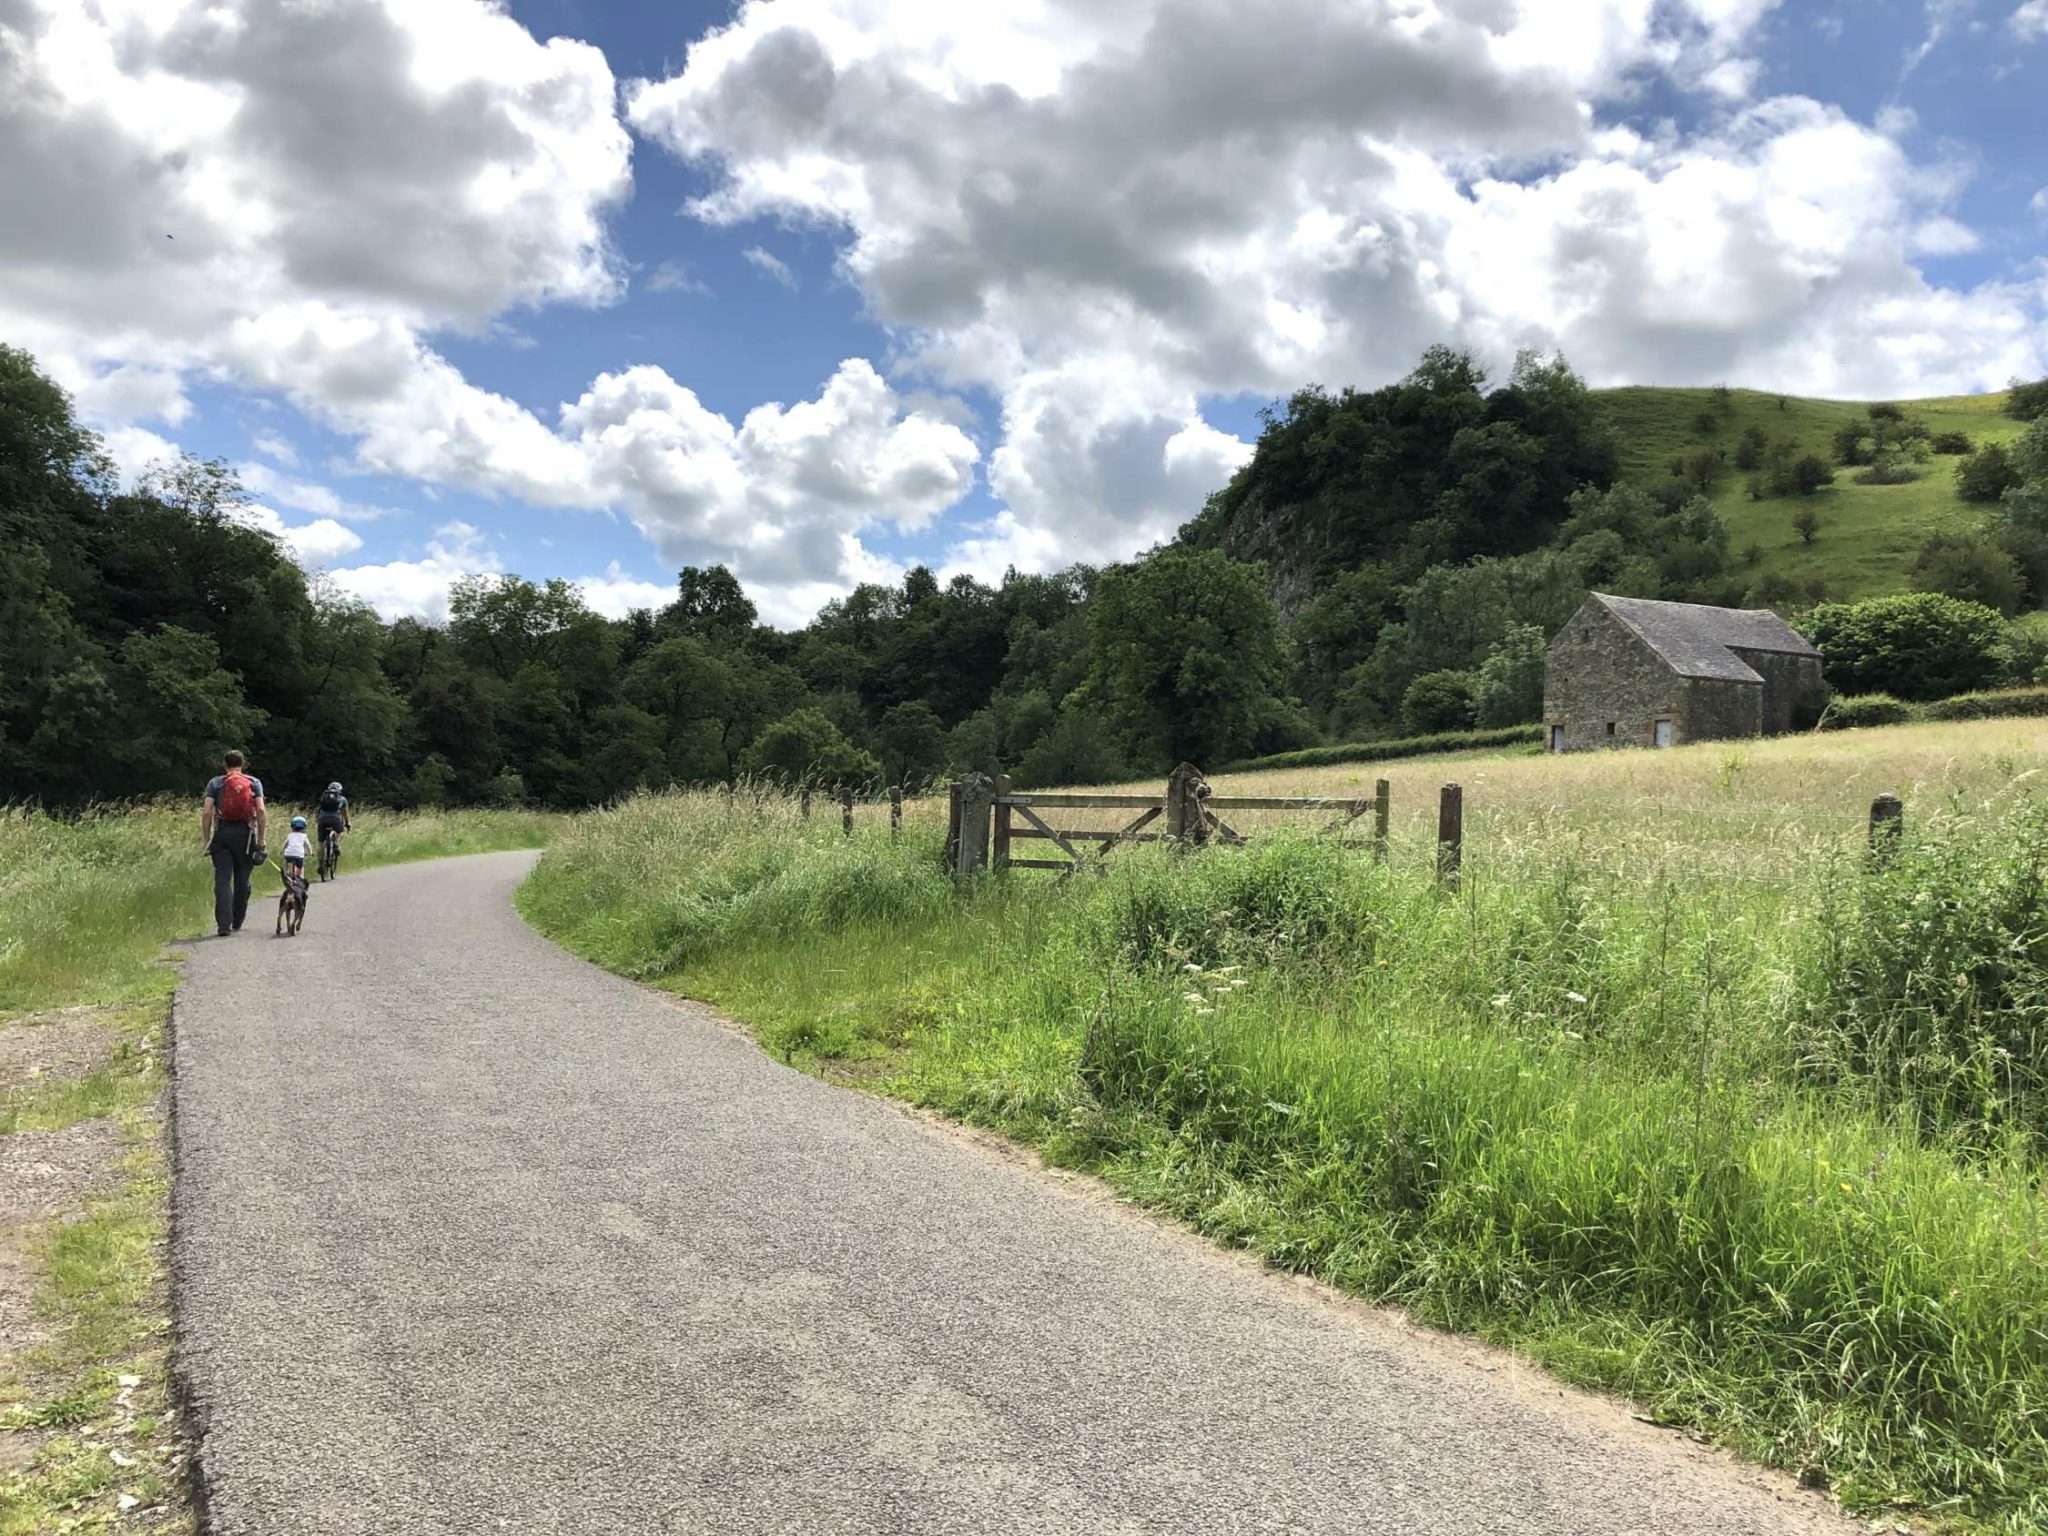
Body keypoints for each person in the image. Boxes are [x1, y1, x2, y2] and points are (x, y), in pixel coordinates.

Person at [200, 750, 267, 937]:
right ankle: (237, 920)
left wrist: (206, 839)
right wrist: (261, 840)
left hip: (222, 834)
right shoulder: (254, 782)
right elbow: (260, 810)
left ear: (224, 764)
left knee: (222, 880)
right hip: (245, 835)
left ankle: (223, 925)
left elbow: (206, 812)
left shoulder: (216, 783)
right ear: (243, 764)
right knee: (242, 880)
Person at [315, 780, 350, 870]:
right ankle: (336, 844)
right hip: (335, 819)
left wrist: (318, 820)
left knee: (320, 843)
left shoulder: (324, 797)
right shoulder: (342, 799)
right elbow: (345, 813)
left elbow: (318, 810)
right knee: (341, 832)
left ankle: (320, 865)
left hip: (322, 820)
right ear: (340, 791)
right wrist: (347, 823)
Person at [281, 816, 312, 880]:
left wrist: (282, 850)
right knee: (300, 867)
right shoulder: (304, 836)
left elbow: (285, 844)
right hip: (299, 855)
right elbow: (308, 845)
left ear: (292, 827)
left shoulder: (290, 835)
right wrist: (310, 852)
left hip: (288, 854)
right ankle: (300, 878)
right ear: (304, 827)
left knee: (286, 860)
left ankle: (285, 873)